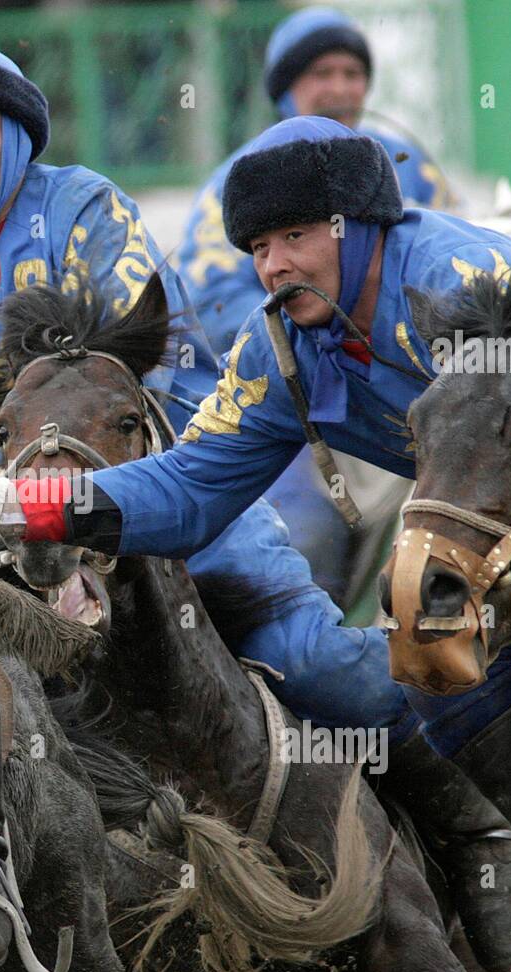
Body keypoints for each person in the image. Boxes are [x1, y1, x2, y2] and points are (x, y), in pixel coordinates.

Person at [0, 116, 511, 972]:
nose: (274, 265)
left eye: (296, 235)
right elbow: (188, 487)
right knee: (424, 641)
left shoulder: (460, 278)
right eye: (257, 245)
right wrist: (28, 505)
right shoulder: (280, 350)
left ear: (360, 228)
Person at [0, 42, 511, 972]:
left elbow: (137, 365)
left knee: (315, 659)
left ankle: (467, 817)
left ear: (16, 136)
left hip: (163, 485)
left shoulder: (86, 205)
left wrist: (55, 483)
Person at [178, 5, 444, 610]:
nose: (341, 88)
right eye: (322, 72)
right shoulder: (244, 180)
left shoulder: (407, 165)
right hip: (292, 401)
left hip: (412, 391)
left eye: (353, 72)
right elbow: (217, 305)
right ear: (286, 89)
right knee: (306, 542)